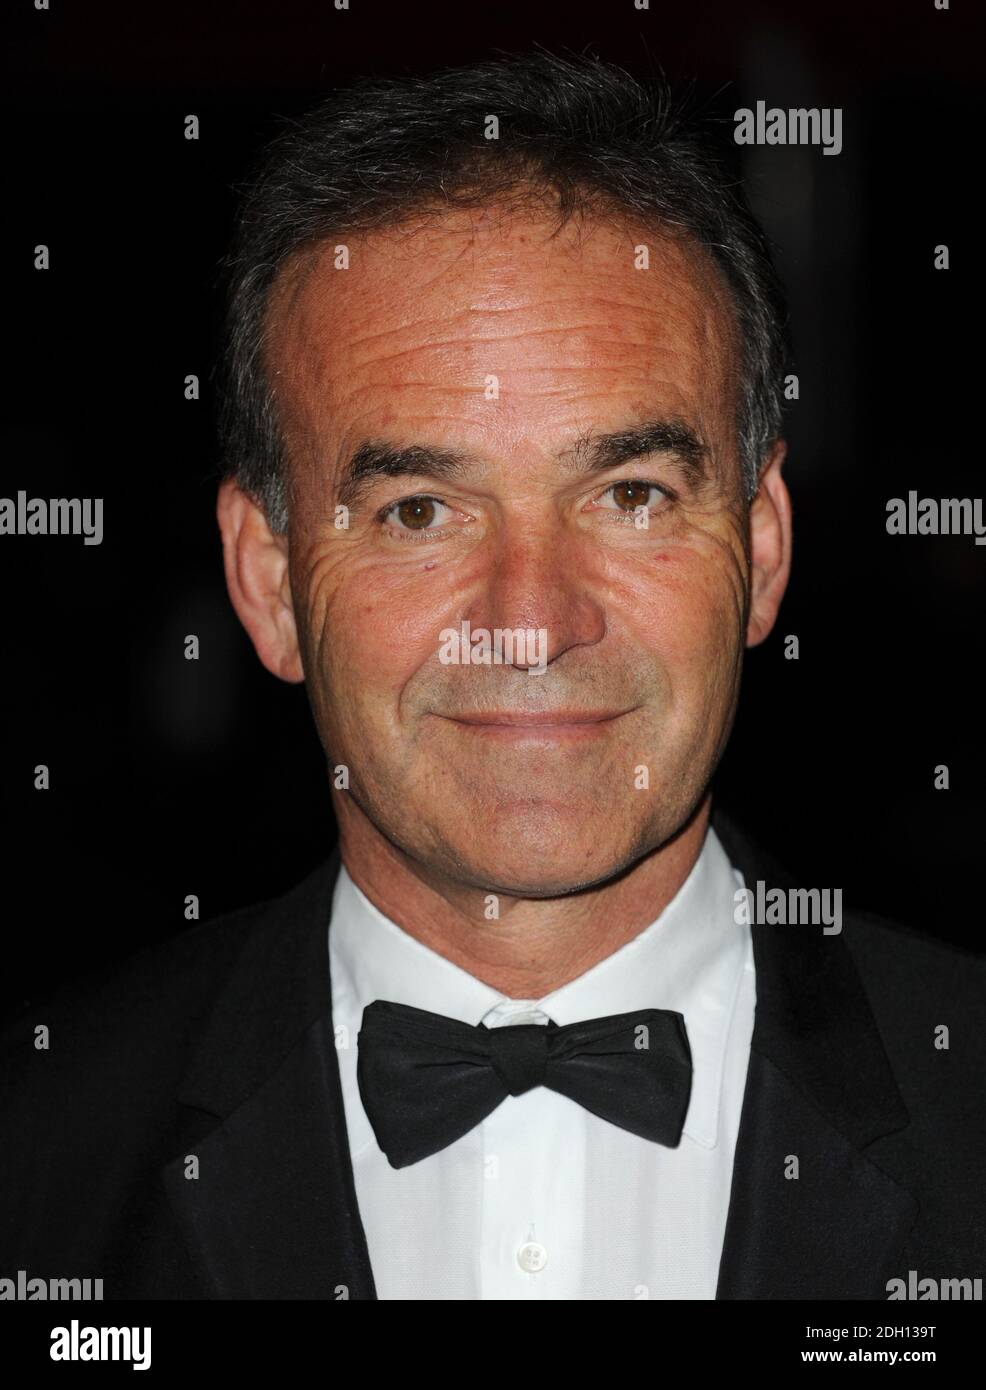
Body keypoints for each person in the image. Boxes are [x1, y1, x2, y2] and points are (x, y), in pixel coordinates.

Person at [1, 50, 982, 1302]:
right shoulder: (40, 1159)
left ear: (761, 545)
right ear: (266, 582)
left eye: (628, 495)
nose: (530, 622)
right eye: (419, 511)